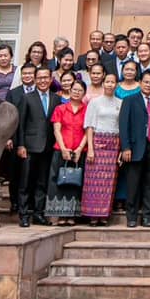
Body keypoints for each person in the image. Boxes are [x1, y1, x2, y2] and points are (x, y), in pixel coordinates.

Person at [13, 65, 61, 227]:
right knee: (26, 182)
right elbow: (20, 124)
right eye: (39, 78)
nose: (42, 81)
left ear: (51, 79)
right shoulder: (27, 98)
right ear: (34, 79)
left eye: (45, 78)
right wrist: (20, 145)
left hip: (48, 147)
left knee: (42, 182)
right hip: (29, 147)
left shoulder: (56, 98)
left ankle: (39, 214)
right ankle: (24, 214)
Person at [115, 64, 150, 228]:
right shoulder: (130, 100)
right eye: (146, 82)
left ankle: (148, 217)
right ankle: (132, 216)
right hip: (134, 148)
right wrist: (125, 147)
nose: (148, 85)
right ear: (140, 82)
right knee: (133, 184)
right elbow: (123, 124)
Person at [81, 74, 123, 226]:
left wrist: (120, 150)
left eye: (113, 82)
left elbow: (121, 127)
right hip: (97, 142)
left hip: (113, 143)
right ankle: (92, 214)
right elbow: (89, 125)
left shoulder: (120, 102)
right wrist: (91, 149)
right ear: (103, 83)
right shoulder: (94, 102)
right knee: (93, 181)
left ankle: (104, 214)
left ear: (117, 85)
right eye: (108, 82)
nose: (110, 85)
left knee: (109, 182)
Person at [48, 77, 89, 224]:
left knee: (74, 183)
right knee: (58, 182)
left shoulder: (87, 109)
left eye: (80, 90)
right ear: (69, 90)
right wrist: (64, 148)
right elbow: (56, 129)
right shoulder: (60, 108)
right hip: (61, 149)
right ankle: (58, 215)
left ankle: (71, 215)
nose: (76, 92)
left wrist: (79, 149)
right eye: (74, 90)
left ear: (84, 93)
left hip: (79, 151)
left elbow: (88, 131)